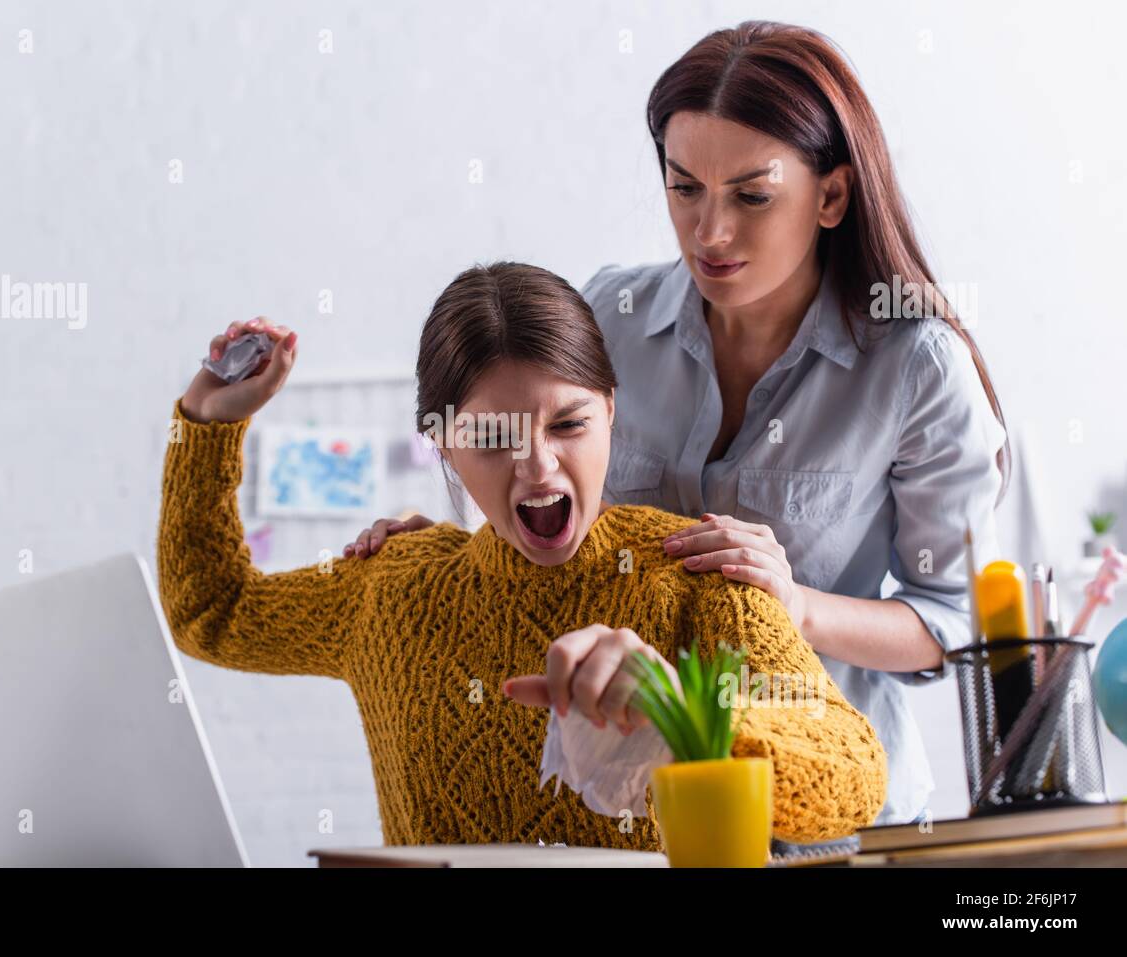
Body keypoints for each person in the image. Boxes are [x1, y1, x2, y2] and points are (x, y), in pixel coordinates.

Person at [343, 21, 1008, 827]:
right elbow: (545, 497)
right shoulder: (610, 316)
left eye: (752, 196)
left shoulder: (916, 365)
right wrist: (455, 550)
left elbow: (954, 621)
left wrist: (796, 604)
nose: (710, 232)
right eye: (684, 187)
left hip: (821, 810)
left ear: (830, 195)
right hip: (631, 815)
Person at [157, 261, 887, 848]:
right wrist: (204, 428)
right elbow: (211, 611)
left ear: (610, 408)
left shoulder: (695, 576)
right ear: (440, 442)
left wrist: (685, 711)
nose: (537, 467)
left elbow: (854, 775)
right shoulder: (389, 588)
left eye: (568, 423)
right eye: (492, 437)